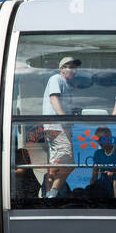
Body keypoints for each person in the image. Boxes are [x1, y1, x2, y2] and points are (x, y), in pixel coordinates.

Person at [42, 56, 83, 199]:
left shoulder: (67, 86)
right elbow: (54, 99)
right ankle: (53, 193)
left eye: (74, 67)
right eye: (69, 66)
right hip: (57, 126)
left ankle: (47, 195)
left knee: (54, 166)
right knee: (69, 163)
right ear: (61, 69)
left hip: (57, 127)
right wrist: (64, 118)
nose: (73, 70)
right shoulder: (56, 79)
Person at [88, 127, 116, 199]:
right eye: (97, 139)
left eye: (102, 138)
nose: (99, 141)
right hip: (102, 186)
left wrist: (113, 174)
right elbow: (94, 177)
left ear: (109, 138)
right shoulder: (98, 153)